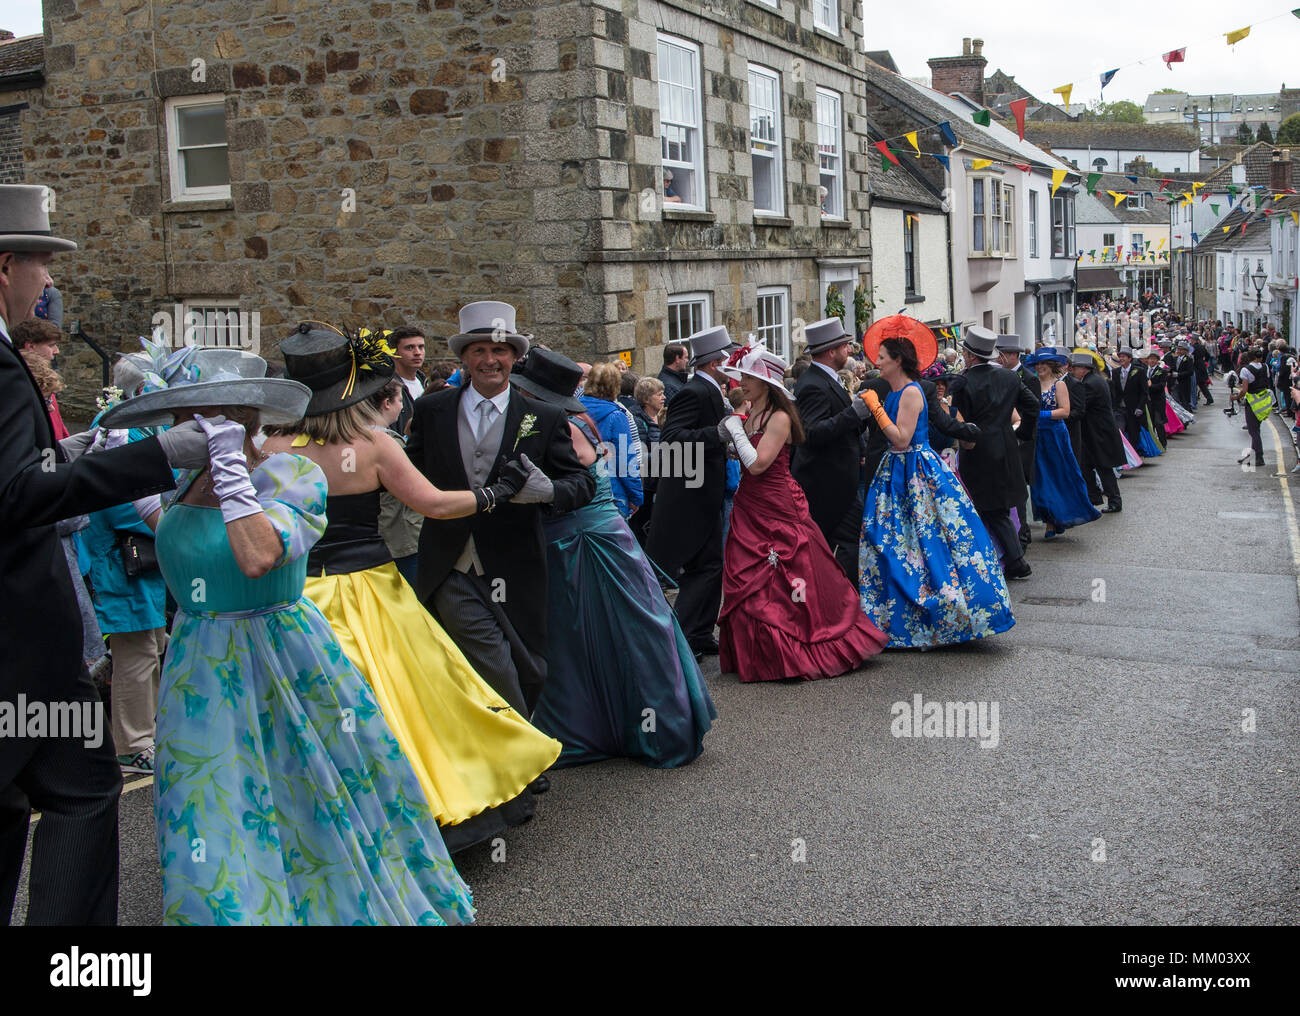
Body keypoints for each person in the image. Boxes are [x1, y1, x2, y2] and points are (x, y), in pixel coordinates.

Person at [100, 351, 475, 925]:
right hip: (198, 663)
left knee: (307, 794)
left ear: (246, 416)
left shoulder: (289, 475)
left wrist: (230, 467)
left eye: (211, 416)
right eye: (186, 417)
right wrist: (123, 485)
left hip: (279, 653)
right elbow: (192, 548)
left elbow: (257, 556)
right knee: (209, 805)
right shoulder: (182, 484)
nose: (195, 429)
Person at [262, 323, 560, 851]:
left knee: (313, 707)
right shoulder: (373, 445)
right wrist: (497, 492)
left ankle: (318, 824)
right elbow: (437, 505)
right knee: (412, 700)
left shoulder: (269, 447)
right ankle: (423, 807)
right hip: (371, 592)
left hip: (296, 593)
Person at [1, 184, 209, 926]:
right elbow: (13, 498)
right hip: (19, 645)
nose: (50, 284)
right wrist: (154, 455)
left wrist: (61, 452)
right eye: (42, 265)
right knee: (85, 792)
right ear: (3, 266)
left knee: (52, 790)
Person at [512, 349, 716, 765]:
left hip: (591, 539)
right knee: (597, 635)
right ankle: (606, 725)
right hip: (588, 535)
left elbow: (616, 469)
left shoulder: (563, 427)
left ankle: (652, 729)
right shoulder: (580, 419)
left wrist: (635, 498)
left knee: (624, 631)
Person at [407, 301, 597, 717]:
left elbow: (582, 483)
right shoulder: (431, 410)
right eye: (478, 351)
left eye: (499, 351)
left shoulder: (543, 416)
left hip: (518, 560)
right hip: (451, 560)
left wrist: (548, 492)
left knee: (529, 663)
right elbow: (411, 473)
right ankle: (521, 762)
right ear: (464, 357)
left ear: (515, 357)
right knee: (491, 658)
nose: (489, 360)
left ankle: (509, 747)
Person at [714, 341, 885, 679]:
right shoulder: (752, 415)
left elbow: (760, 464)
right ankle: (757, 653)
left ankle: (795, 646)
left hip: (777, 504)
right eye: (742, 377)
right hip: (751, 504)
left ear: (767, 383)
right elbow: (749, 462)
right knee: (748, 574)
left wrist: (734, 431)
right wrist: (734, 438)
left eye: (749, 377)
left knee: (788, 573)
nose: (742, 383)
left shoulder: (779, 417)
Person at [858, 335, 1016, 647]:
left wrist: (874, 407)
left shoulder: (912, 392)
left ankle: (945, 613)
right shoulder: (892, 391)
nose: (878, 362)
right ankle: (900, 616)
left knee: (930, 542)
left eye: (883, 357)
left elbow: (901, 439)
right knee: (896, 545)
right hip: (896, 473)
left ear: (898, 360)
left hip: (916, 472)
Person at [646, 325, 736, 658]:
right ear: (714, 363)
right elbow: (671, 441)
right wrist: (717, 434)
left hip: (705, 494)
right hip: (690, 498)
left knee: (712, 565)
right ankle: (681, 638)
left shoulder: (708, 390)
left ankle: (699, 633)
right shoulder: (695, 391)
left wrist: (721, 445)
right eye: (728, 357)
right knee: (703, 568)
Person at [949, 325, 1037, 580]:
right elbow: (1031, 405)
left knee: (990, 509)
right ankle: (1008, 558)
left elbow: (959, 420)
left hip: (977, 450)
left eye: (965, 353)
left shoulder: (963, 382)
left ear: (971, 356)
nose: (964, 356)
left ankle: (1014, 560)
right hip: (1006, 445)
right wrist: (1022, 433)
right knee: (999, 506)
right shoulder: (1009, 377)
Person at [789, 317, 873, 581]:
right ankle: (839, 597)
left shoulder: (828, 378)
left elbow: (841, 427)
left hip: (838, 483)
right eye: (845, 346)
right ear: (830, 351)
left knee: (841, 543)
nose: (850, 350)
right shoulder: (812, 384)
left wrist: (861, 416)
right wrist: (852, 414)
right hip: (827, 485)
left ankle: (832, 598)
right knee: (854, 542)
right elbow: (811, 433)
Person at [1025, 348, 1099, 540]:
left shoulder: (1059, 385)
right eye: (1037, 364)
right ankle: (1049, 518)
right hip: (1037, 436)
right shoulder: (1031, 384)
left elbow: (1065, 411)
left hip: (1055, 435)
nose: (1040, 367)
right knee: (1040, 480)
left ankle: (1057, 518)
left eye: (1043, 364)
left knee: (1059, 476)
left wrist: (1043, 414)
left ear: (1051, 366)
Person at [579, 362, 642, 520]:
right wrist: (636, 497)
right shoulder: (616, 416)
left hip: (582, 491)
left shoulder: (574, 410)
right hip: (612, 493)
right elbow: (626, 461)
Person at [996, 333, 1039, 551]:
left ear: (1014, 355)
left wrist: (1020, 432)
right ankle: (1018, 531)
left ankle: (1023, 533)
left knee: (1019, 486)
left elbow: (1032, 409)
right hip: (1004, 437)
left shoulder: (1028, 377)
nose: (998, 358)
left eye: (1002, 354)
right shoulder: (999, 375)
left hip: (1021, 438)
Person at [1069, 352, 1126, 513]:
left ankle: (1114, 500)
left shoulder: (1089, 384)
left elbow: (1080, 406)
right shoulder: (1095, 380)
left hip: (1099, 432)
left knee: (1103, 467)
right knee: (1088, 466)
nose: (1072, 371)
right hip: (1097, 432)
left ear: (1084, 369)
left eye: (1075, 368)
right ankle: (1094, 497)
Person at [11, 318, 69, 439]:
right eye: (51, 345)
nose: (57, 351)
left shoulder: (46, 381)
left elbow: (60, 433)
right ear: (30, 346)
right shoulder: (19, 384)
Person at [627, 375, 664, 547]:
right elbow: (639, 454)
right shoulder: (637, 419)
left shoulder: (660, 416)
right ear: (647, 398)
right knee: (644, 528)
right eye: (659, 394)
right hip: (646, 485)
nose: (663, 397)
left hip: (659, 481)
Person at [1231, 347, 1271, 468]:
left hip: (1253, 402)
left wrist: (1236, 397)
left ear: (1249, 357)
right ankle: (1253, 456)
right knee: (1256, 429)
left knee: (1253, 431)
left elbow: (1244, 390)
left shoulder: (1246, 370)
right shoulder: (1266, 367)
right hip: (1264, 401)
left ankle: (1259, 457)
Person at [389, 325, 428, 436]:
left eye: (421, 347)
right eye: (409, 347)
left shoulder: (425, 382)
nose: (417, 352)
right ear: (395, 352)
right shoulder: (387, 388)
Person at [1109, 346, 1148, 449]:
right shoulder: (1115, 372)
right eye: (1120, 356)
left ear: (1130, 358)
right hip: (1119, 409)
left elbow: (1144, 392)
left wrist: (1140, 407)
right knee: (1120, 432)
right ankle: (1122, 456)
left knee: (1133, 433)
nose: (1121, 359)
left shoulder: (1139, 371)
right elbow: (1114, 391)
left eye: (1124, 356)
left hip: (1133, 409)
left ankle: (1134, 457)